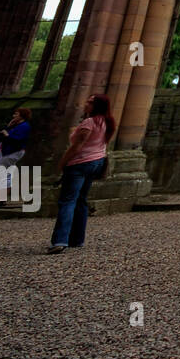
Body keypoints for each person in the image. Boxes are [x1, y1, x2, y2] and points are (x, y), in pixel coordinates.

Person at [48, 93, 114, 253]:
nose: (86, 104)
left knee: (68, 201)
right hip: (96, 163)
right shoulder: (107, 123)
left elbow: (76, 147)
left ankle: (60, 241)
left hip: (80, 163)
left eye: (90, 102)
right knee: (81, 200)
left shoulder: (89, 122)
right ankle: (77, 239)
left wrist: (63, 163)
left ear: (97, 106)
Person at [0, 107, 32, 207]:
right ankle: (0, 200)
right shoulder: (17, 125)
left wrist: (7, 134)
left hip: (11, 152)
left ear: (21, 115)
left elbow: (17, 140)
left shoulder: (24, 126)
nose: (14, 116)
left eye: (16, 114)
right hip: (6, 152)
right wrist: (9, 127)